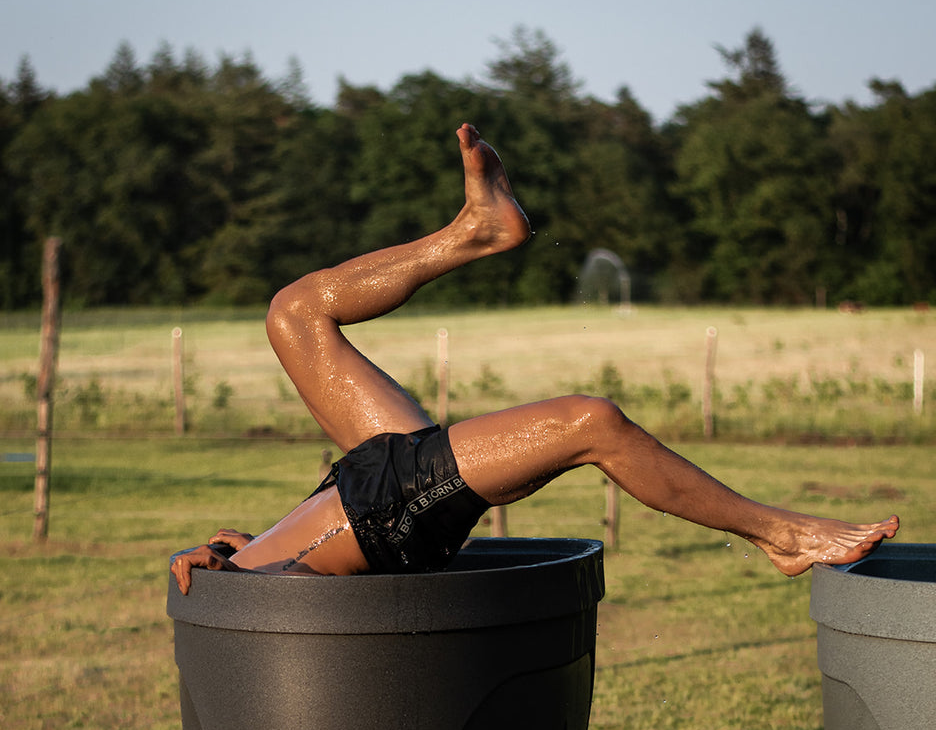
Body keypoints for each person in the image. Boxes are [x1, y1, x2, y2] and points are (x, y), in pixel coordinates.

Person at [171, 124, 899, 595]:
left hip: (356, 489)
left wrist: (242, 548)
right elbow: (279, 582)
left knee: (293, 313)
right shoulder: (255, 583)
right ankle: (784, 534)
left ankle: (474, 233)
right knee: (593, 421)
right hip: (379, 514)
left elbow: (249, 562)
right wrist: (241, 571)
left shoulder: (243, 566)